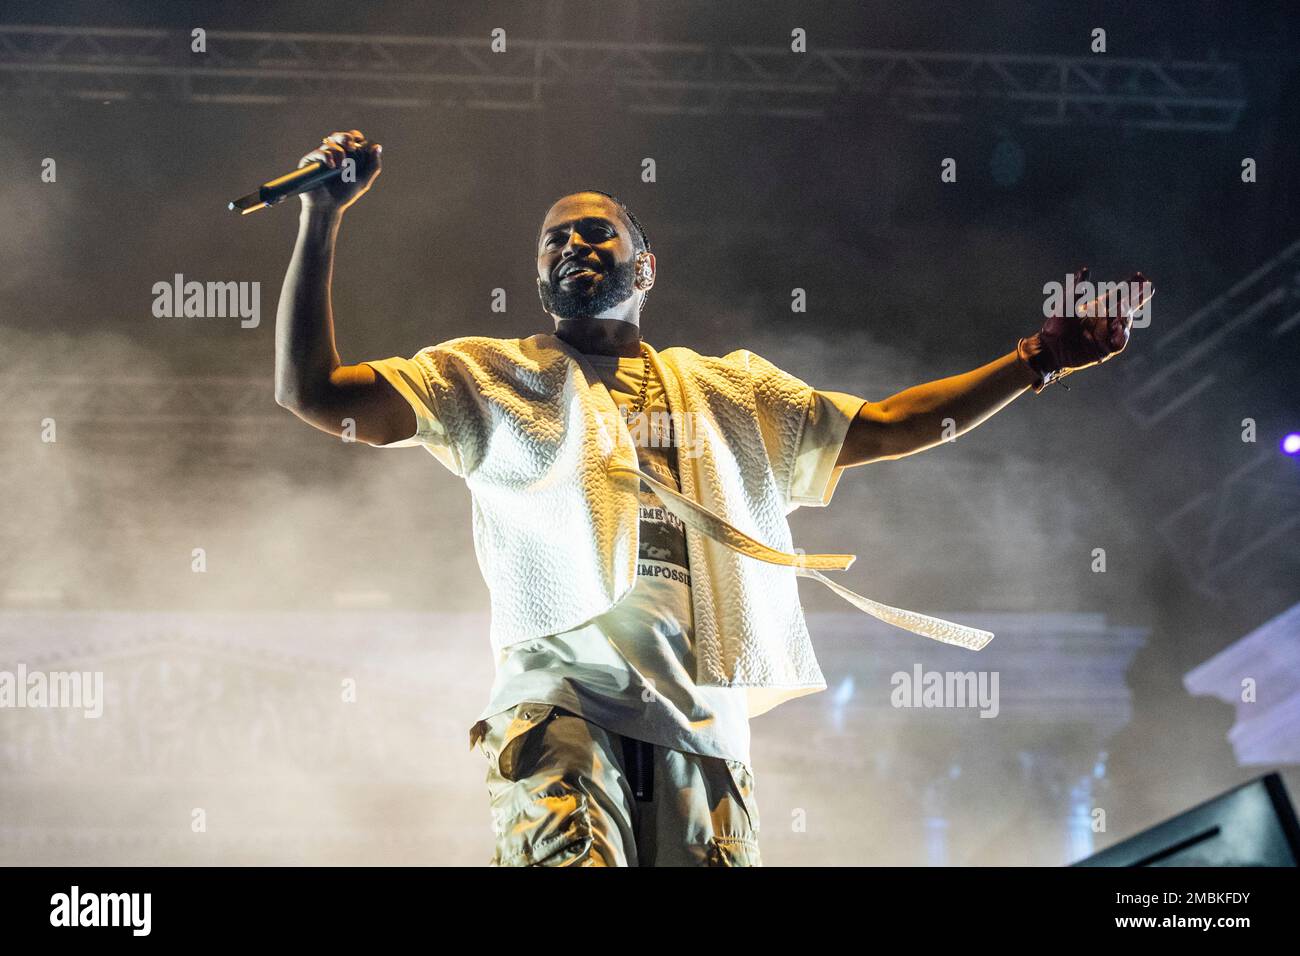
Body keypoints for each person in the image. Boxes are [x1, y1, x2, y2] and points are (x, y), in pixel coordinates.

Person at [274, 129, 1152, 866]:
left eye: (595, 233)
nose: (573, 245)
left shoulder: (727, 390)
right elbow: (315, 394)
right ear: (538, 276)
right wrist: (323, 220)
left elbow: (887, 423)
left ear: (645, 266)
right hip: (562, 704)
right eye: (554, 240)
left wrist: (1035, 360)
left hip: (703, 725)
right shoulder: (490, 376)